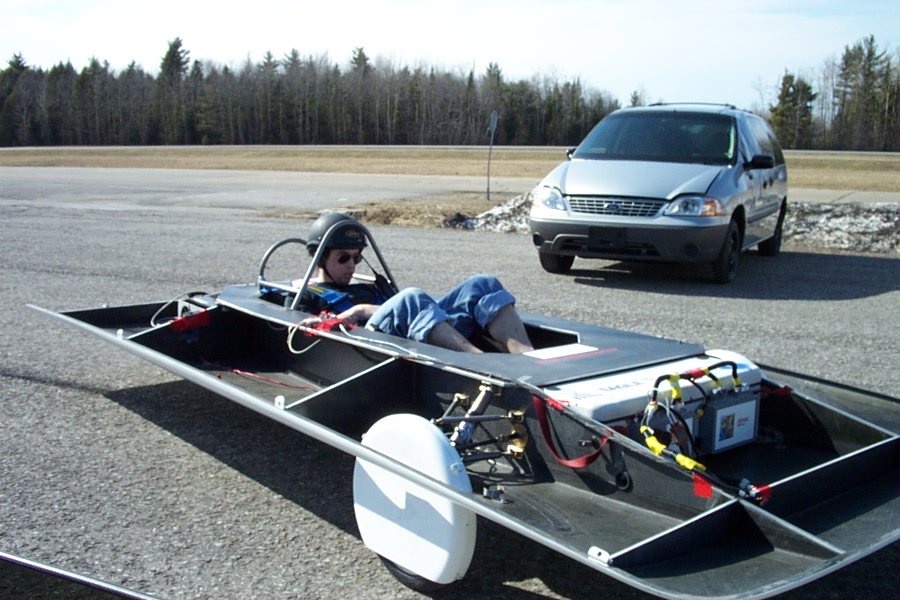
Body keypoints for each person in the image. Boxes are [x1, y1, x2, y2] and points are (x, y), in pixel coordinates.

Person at [297, 212, 534, 354]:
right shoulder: (310, 295)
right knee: (411, 298)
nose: (351, 265)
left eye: (356, 257)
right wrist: (359, 310)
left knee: (483, 284)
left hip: (413, 332)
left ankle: (529, 359)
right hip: (371, 346)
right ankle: (483, 364)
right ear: (319, 257)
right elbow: (302, 332)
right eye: (343, 257)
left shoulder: (368, 286)